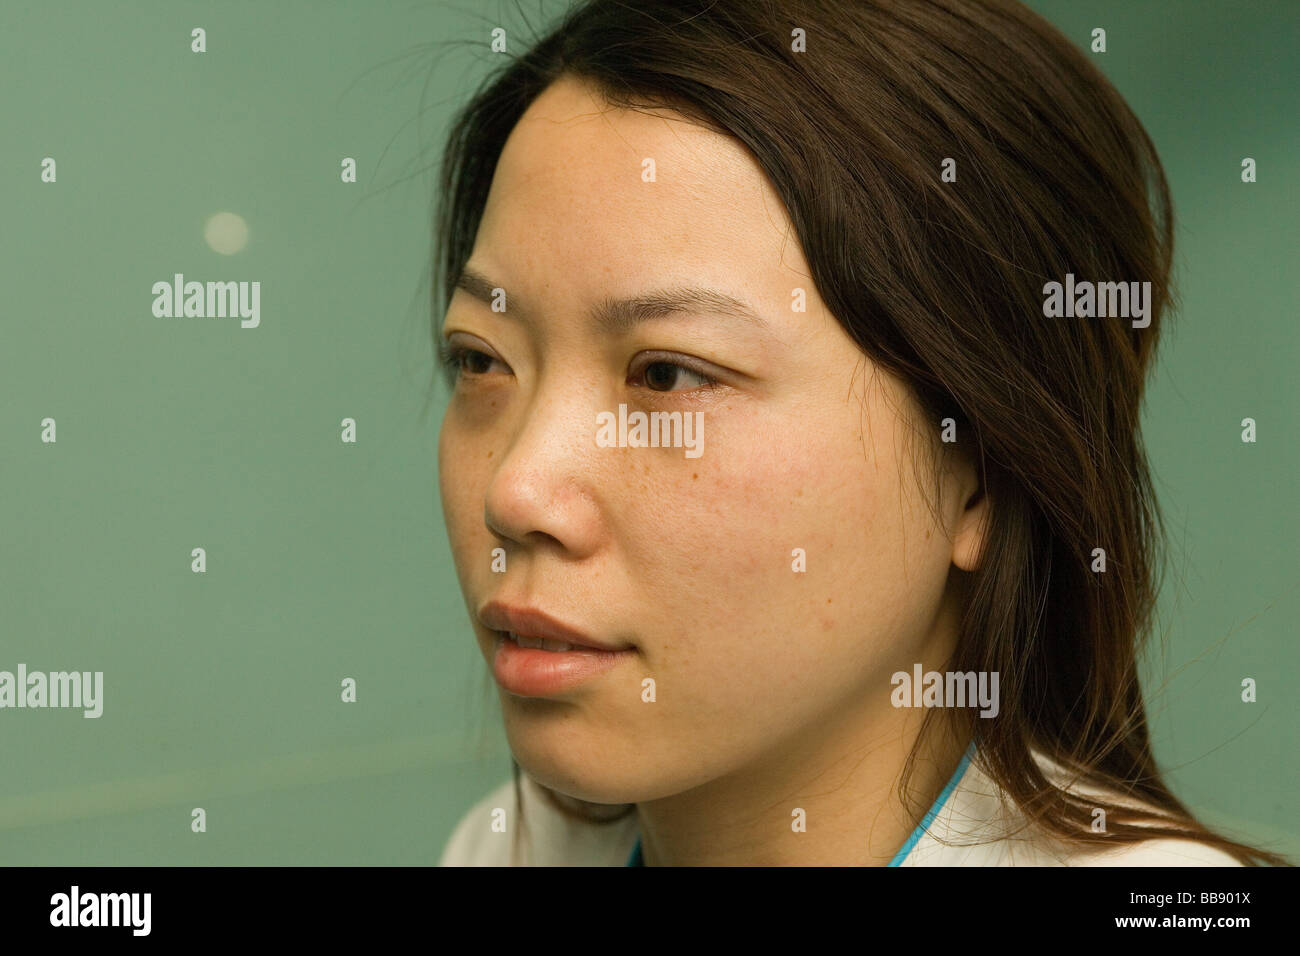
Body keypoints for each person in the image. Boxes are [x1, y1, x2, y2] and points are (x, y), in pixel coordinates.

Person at [432, 0, 1285, 866]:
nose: (516, 491)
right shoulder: (507, 849)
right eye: (481, 361)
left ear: (985, 469)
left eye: (667, 375)